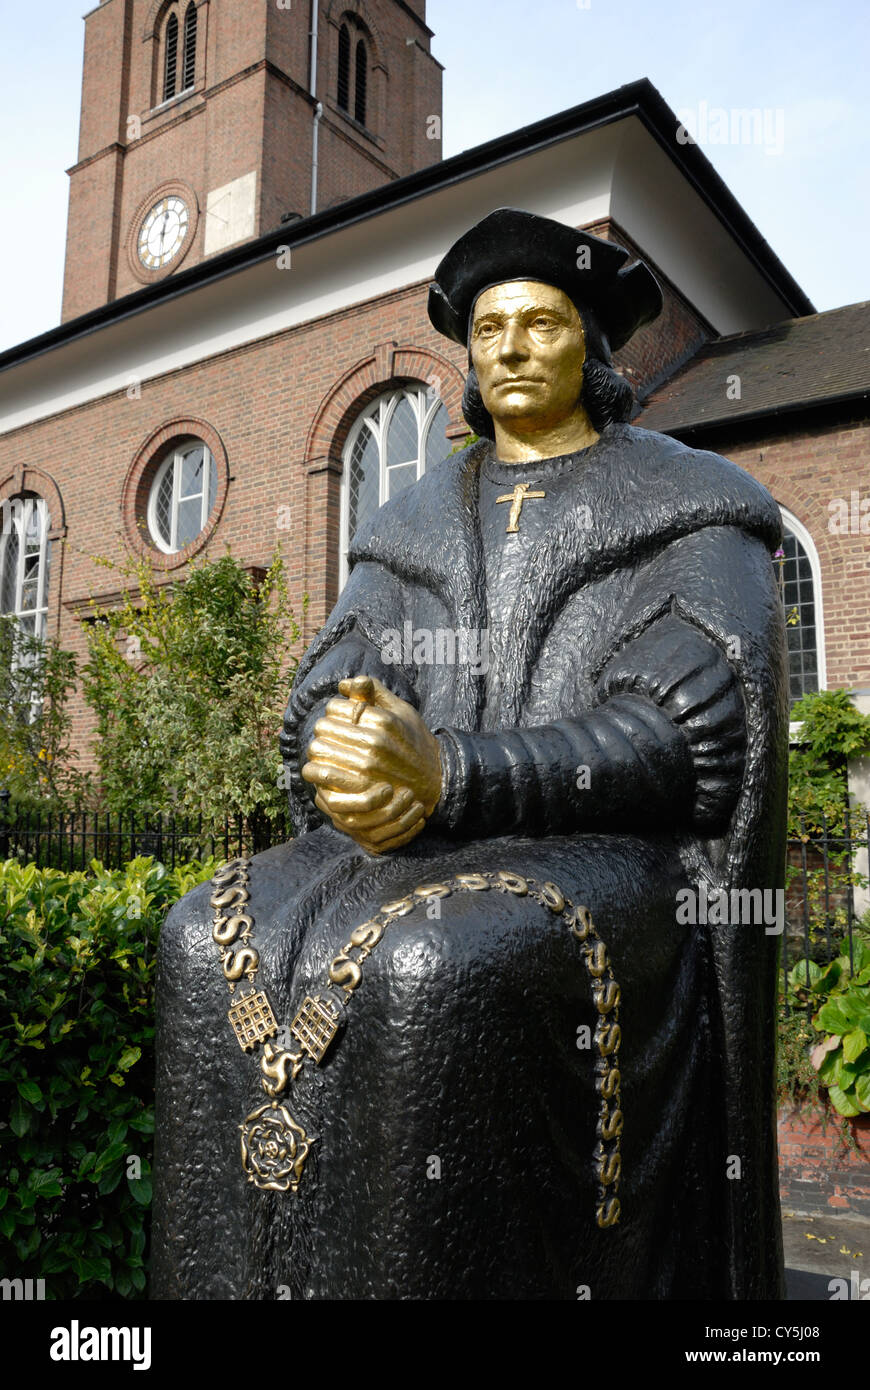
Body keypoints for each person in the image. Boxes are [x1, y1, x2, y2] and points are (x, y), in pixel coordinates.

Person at [152, 208, 788, 1300]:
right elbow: (331, 676)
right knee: (200, 935)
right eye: (489, 328)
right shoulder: (410, 526)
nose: (511, 347)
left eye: (542, 323)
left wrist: (455, 776)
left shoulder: (689, 505)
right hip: (410, 841)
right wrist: (341, 748)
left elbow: (690, 732)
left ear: (592, 347)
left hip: (611, 856)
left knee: (433, 967)